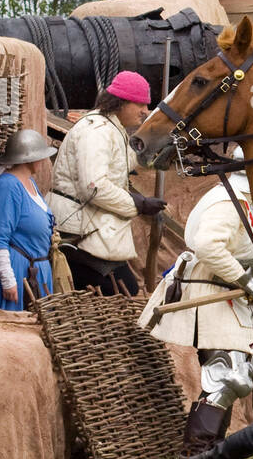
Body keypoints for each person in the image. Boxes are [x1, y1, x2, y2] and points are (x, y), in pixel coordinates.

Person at [138, 148, 253, 459]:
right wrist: (245, 280)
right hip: (210, 291)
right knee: (227, 376)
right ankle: (197, 455)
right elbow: (208, 245)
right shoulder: (228, 201)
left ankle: (209, 453)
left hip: (223, 292)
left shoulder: (240, 196)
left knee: (232, 376)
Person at [48, 71, 166, 296]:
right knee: (121, 290)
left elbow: (122, 160)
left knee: (119, 291)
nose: (145, 110)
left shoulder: (112, 128)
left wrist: (152, 144)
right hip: (79, 230)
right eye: (140, 103)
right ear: (120, 102)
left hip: (89, 227)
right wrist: (137, 205)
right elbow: (94, 187)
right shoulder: (97, 130)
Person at [0, 129, 57, 310]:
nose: (44, 161)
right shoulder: (8, 186)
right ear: (29, 158)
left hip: (34, 271)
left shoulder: (30, 182)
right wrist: (8, 280)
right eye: (41, 157)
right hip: (17, 272)